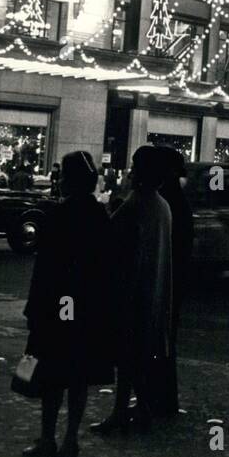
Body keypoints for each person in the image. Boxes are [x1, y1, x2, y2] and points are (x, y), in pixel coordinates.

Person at [22, 150, 113, 457]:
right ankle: (70, 440)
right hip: (86, 307)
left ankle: (47, 438)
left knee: (51, 377)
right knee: (78, 377)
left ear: (69, 181)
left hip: (57, 306)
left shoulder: (58, 215)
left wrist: (34, 309)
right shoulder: (100, 216)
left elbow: (45, 268)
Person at [92, 145, 173, 435]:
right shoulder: (162, 205)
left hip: (132, 292)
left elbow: (110, 238)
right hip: (154, 290)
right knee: (139, 356)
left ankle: (121, 412)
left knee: (127, 357)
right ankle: (141, 409)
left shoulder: (137, 203)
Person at [146, 146, 193, 416]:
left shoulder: (168, 202)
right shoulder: (175, 200)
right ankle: (162, 399)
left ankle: (159, 399)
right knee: (164, 342)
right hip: (173, 280)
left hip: (166, 281)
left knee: (160, 341)